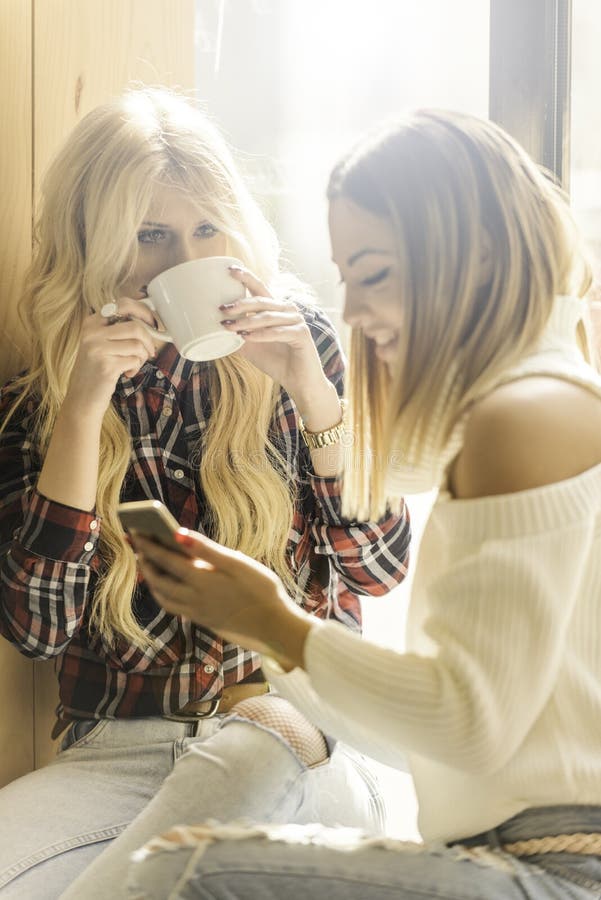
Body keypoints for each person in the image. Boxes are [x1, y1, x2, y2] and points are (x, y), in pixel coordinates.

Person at [127, 109, 601, 899]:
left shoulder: (527, 415)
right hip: (513, 852)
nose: (347, 314)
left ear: (476, 257)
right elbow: (435, 736)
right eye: (344, 278)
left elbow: (465, 725)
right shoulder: (540, 399)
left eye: (373, 274)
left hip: (551, 867)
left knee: (186, 873)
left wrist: (277, 622)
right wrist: (266, 628)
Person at [0, 88, 411, 898]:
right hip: (121, 754)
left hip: (299, 736)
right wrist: (83, 410)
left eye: (202, 230)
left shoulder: (304, 345)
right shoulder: (45, 395)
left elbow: (377, 568)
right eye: (149, 235)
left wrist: (309, 389)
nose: (178, 261)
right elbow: (37, 631)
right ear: (96, 242)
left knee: (257, 745)